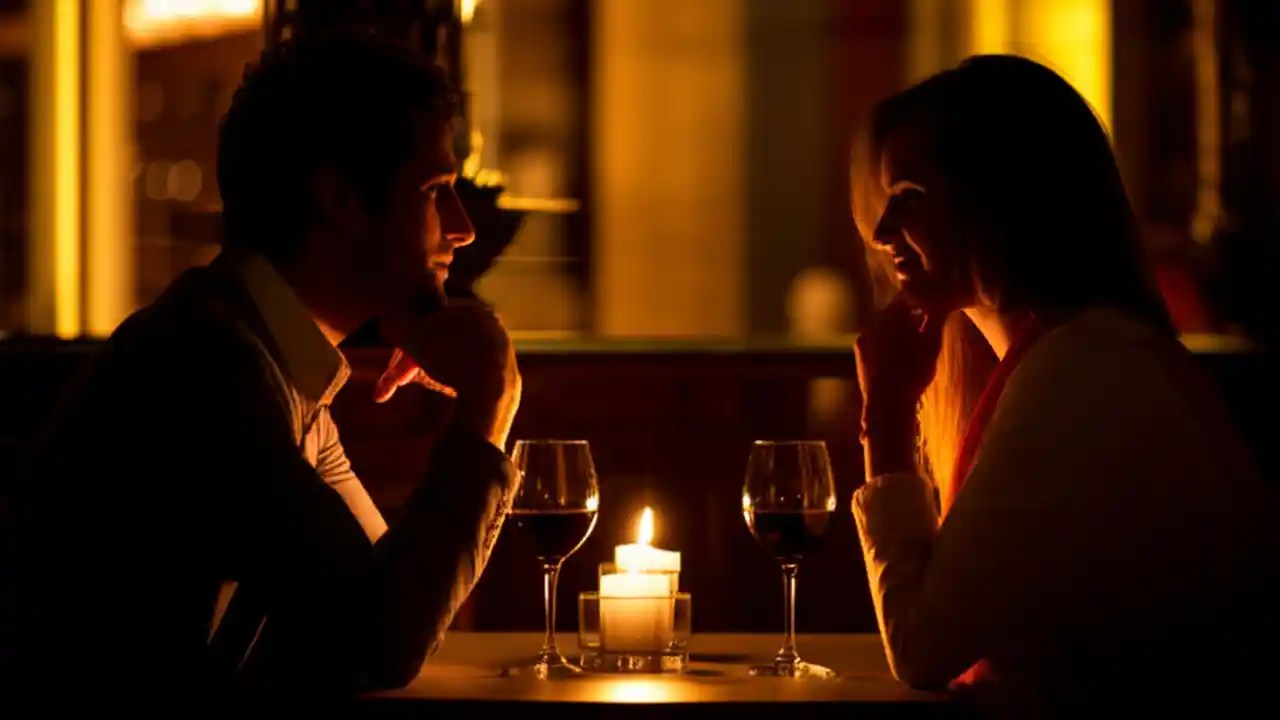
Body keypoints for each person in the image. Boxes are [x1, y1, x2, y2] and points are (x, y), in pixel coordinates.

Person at [10, 36, 521, 714]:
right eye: (435, 191)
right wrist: (486, 402)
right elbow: (380, 638)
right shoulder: (205, 369)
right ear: (338, 198)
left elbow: (392, 601)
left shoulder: (268, 357)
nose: (462, 229)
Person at [850, 55, 1278, 717]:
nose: (882, 233)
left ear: (993, 197)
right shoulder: (1080, 354)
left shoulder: (1080, 376)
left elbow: (924, 648)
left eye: (908, 196)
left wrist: (884, 416)